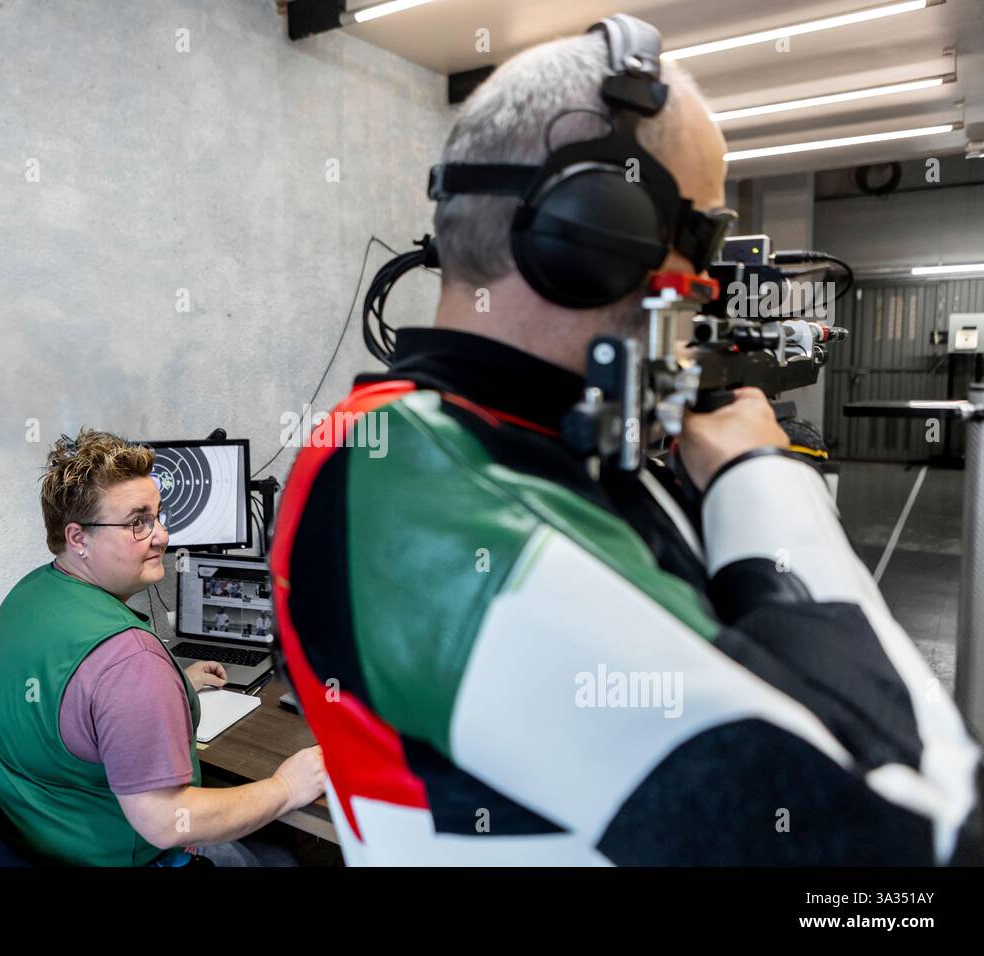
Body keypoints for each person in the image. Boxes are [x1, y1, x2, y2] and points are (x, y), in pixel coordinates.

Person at [271, 18, 983, 865]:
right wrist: (762, 482)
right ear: (594, 231)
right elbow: (922, 845)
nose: (707, 284)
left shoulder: (545, 441)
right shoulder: (401, 476)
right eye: (703, 241)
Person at [0, 427, 324, 866]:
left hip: (23, 842)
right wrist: (286, 787)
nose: (162, 537)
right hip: (117, 855)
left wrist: (174, 684)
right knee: (281, 856)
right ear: (78, 538)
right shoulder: (131, 662)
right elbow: (168, 821)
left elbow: (77, 700)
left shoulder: (28, 596)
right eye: (138, 522)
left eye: (157, 516)